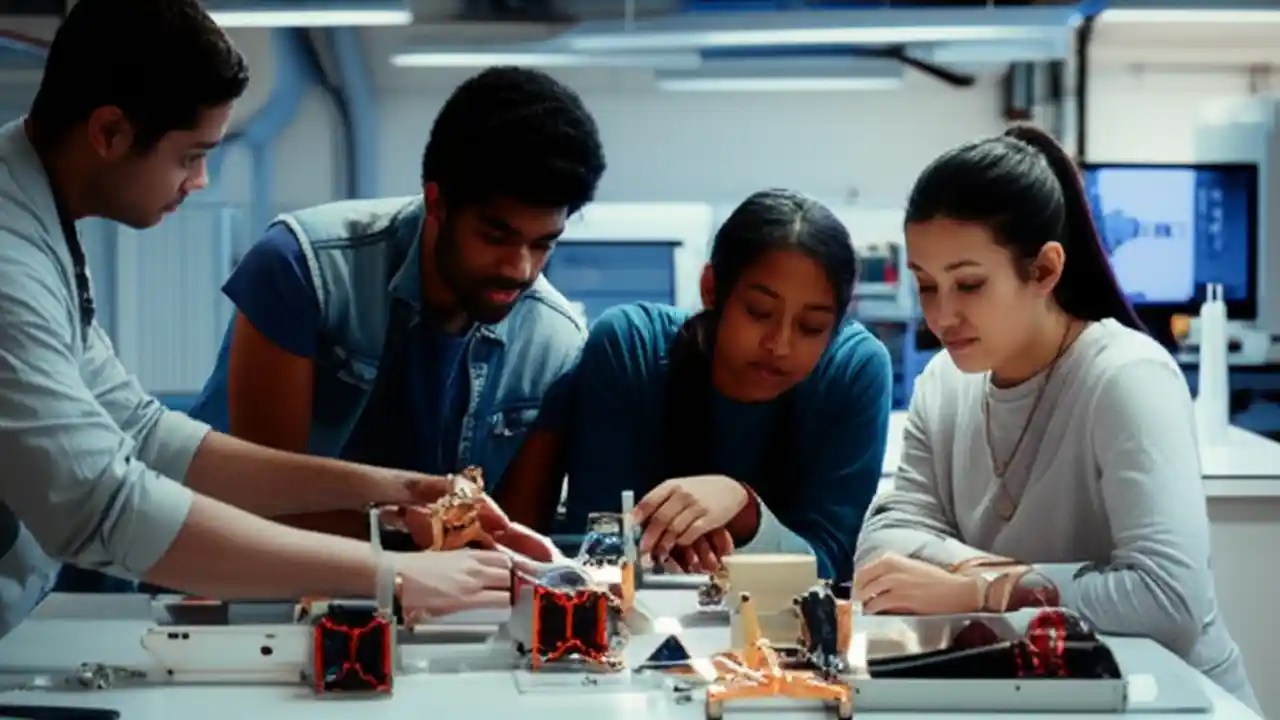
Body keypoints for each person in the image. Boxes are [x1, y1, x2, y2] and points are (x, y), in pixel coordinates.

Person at [0, 0, 546, 639]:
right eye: (190, 156)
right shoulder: (9, 262)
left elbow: (143, 434)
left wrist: (395, 489)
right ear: (110, 132)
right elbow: (102, 508)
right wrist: (392, 574)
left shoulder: (36, 221)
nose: (200, 181)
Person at [852, 125, 1259, 712]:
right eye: (926, 285)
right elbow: (883, 546)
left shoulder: (1125, 377)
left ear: (1044, 270)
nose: (942, 315)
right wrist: (992, 578)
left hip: (1171, 700)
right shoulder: (943, 382)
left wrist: (978, 592)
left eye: (969, 284)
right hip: (1046, 696)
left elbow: (1169, 601)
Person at [186, 66, 602, 529]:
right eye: (495, 236)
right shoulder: (305, 268)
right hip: (234, 563)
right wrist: (408, 537)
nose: (519, 268)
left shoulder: (554, 343)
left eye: (543, 244)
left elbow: (514, 540)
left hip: (435, 574)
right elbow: (267, 504)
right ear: (437, 202)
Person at [497, 189, 894, 583]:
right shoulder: (632, 348)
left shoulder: (853, 370)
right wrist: (671, 542)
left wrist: (744, 509)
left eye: (812, 327)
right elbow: (601, 545)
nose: (780, 345)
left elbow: (832, 565)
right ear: (711, 288)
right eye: (758, 312)